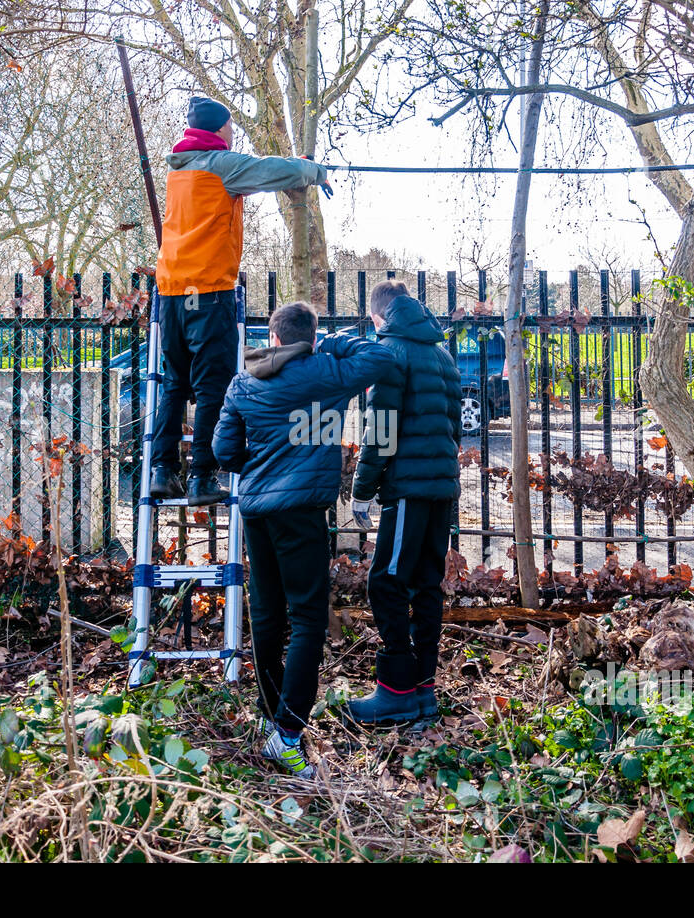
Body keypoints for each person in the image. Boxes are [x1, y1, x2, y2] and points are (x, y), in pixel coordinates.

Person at [213, 301, 395, 778]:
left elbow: (223, 450)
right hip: (303, 513)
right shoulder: (325, 371)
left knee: (268, 614)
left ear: (273, 338)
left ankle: (272, 719)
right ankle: (289, 734)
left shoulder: (243, 380)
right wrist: (334, 342)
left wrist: (258, 465)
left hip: (256, 512)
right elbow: (381, 359)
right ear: (308, 339)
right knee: (309, 618)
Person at [151, 96, 332, 506]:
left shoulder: (178, 168)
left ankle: (162, 470)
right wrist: (312, 170)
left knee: (175, 384)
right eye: (230, 127)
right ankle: (201, 476)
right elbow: (271, 170)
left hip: (172, 292)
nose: (233, 134)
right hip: (207, 290)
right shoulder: (220, 165)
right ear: (219, 130)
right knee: (213, 385)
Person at [345, 280, 461, 725]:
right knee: (426, 584)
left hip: (408, 489)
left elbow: (381, 429)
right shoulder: (442, 352)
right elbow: (451, 427)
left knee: (386, 583)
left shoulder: (391, 352)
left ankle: (395, 690)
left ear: (377, 317)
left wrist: (363, 488)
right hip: (440, 489)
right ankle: (423, 689)